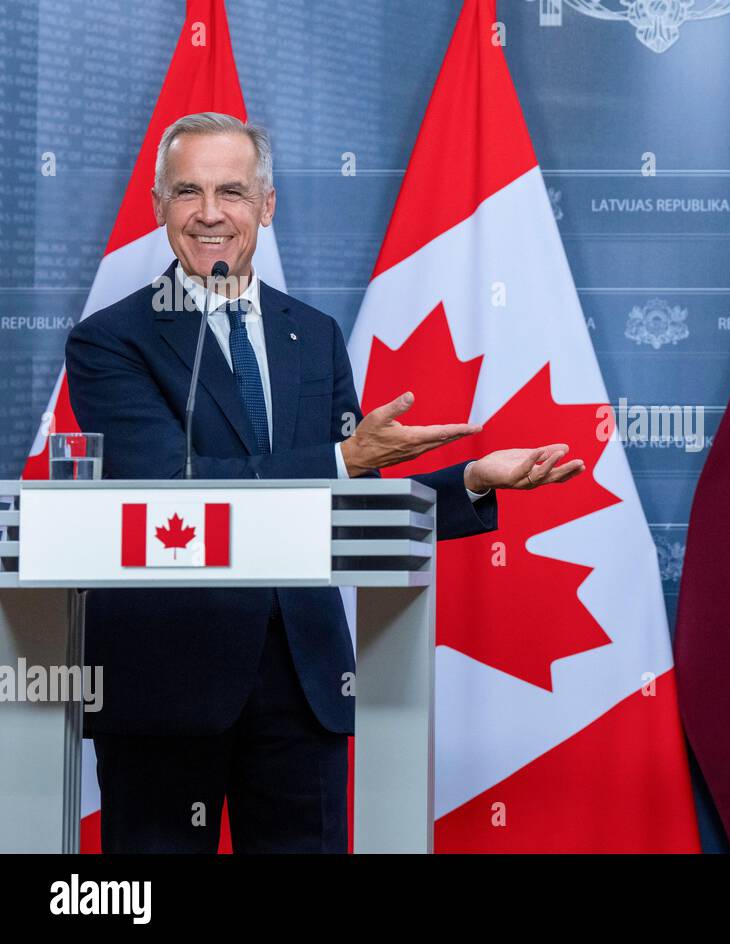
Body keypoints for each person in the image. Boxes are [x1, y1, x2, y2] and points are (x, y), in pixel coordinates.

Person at [64, 112, 583, 853]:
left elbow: (351, 510)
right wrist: (342, 460)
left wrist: (470, 479)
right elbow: (170, 491)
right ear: (158, 206)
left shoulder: (312, 333)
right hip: (166, 683)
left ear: (267, 205)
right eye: (187, 191)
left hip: (304, 683)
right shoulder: (110, 340)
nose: (210, 213)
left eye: (232, 192)